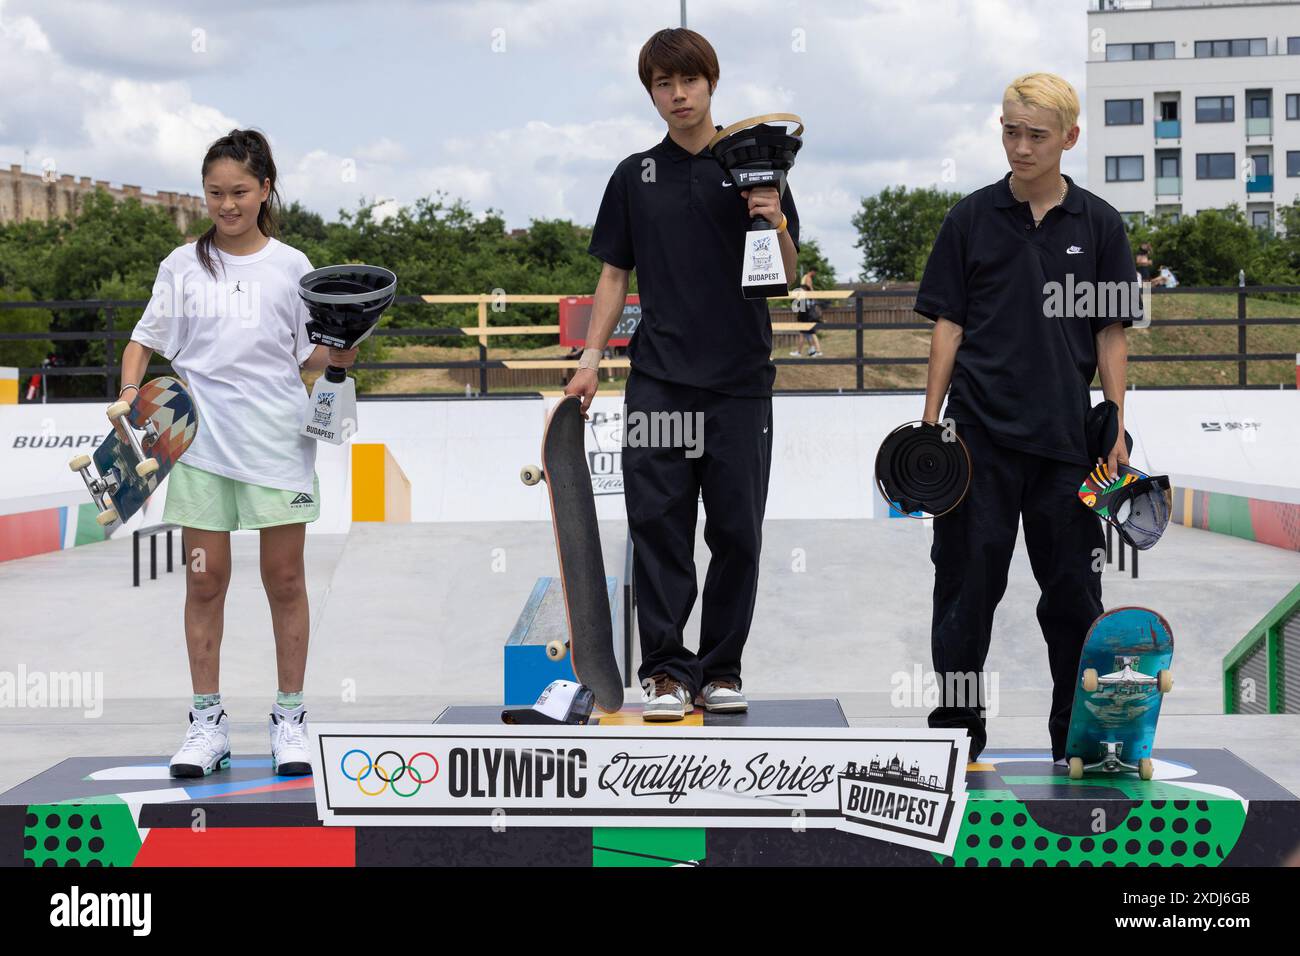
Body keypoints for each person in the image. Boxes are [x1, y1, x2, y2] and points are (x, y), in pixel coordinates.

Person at [568, 28, 799, 720]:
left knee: (736, 531)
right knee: (659, 526)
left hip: (740, 382)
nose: (677, 95)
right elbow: (614, 274)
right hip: (660, 381)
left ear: (711, 82)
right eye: (663, 85)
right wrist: (589, 359)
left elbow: (783, 278)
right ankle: (666, 673)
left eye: (688, 81)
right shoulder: (635, 174)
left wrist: (775, 218)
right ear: (651, 94)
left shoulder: (757, 164)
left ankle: (720, 669)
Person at [912, 73, 1135, 763]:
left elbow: (1111, 335)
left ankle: (1080, 741)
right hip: (977, 441)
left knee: (1073, 599)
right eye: (1010, 130)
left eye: (1036, 134)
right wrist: (930, 425)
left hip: (1069, 445)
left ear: (1069, 138)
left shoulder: (1099, 224)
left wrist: (1118, 426)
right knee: (964, 594)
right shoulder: (970, 219)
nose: (1020, 146)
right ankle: (957, 736)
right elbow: (948, 326)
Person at [121, 129, 357, 777]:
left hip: (280, 443)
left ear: (266, 191)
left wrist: (342, 351)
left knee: (285, 580)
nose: (226, 205)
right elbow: (144, 340)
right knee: (204, 579)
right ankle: (206, 724)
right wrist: (127, 392)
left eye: (240, 192)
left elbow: (311, 356)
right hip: (199, 445)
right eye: (215, 193)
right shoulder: (180, 265)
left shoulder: (292, 264)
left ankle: (290, 719)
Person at [790, 267, 823, 357]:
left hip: (805, 305)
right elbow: (810, 289)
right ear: (812, 271)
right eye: (815, 272)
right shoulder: (808, 278)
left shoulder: (805, 277)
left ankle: (812, 350)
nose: (815, 274)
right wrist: (814, 298)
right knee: (807, 332)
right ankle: (812, 349)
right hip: (805, 303)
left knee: (808, 332)